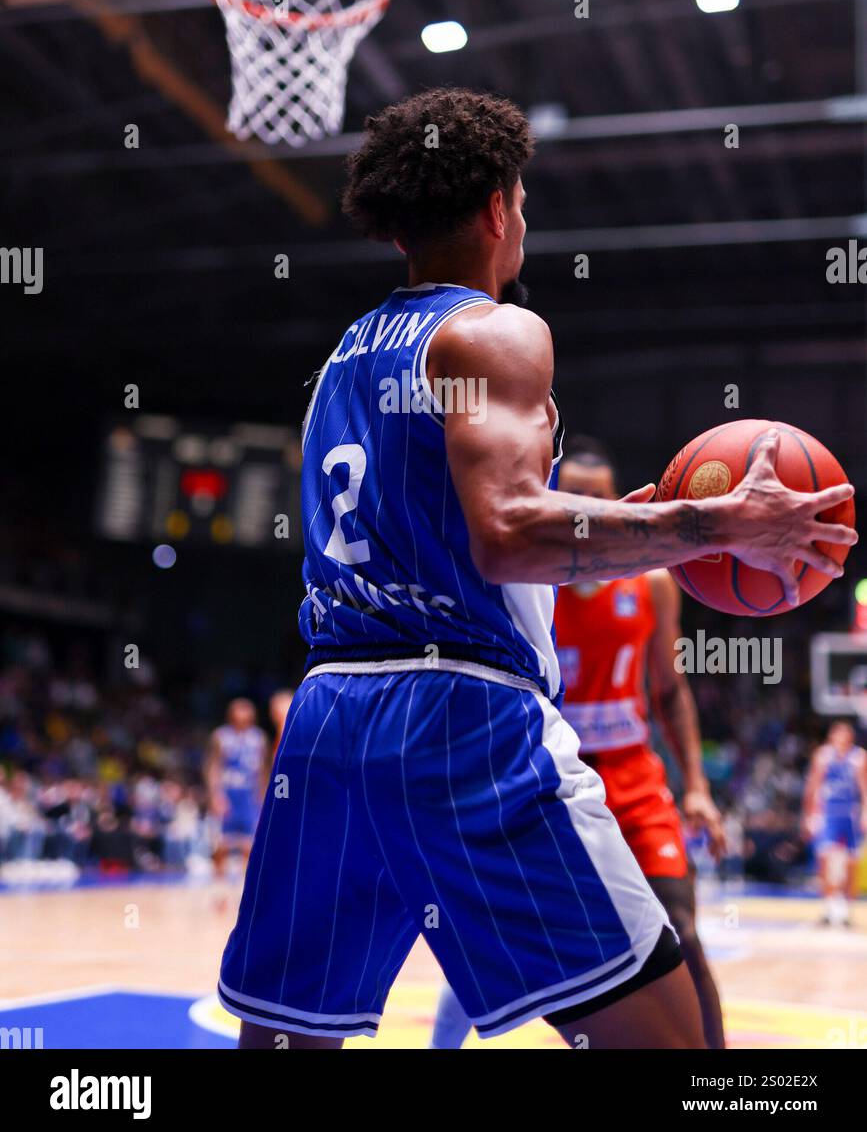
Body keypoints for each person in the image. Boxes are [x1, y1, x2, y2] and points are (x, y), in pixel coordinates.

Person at [217, 88, 855, 1050]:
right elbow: (508, 534)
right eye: (522, 200)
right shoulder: (496, 331)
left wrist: (626, 524)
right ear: (496, 209)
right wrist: (716, 520)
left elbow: (459, 539)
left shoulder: (343, 360)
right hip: (457, 717)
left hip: (329, 720)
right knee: (675, 1046)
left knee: (285, 1040)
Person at [430, 435, 726, 1049]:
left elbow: (669, 689)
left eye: (601, 499)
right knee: (495, 933)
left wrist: (696, 786)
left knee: (682, 933)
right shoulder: (525, 577)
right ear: (556, 500)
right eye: (578, 499)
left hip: (633, 778)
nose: (589, 513)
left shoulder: (654, 584)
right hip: (542, 769)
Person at [802, 719, 867, 927]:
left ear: (850, 737)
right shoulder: (823, 756)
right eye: (837, 734)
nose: (840, 738)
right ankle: (829, 907)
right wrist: (809, 815)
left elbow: (864, 788)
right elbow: (813, 786)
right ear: (831, 736)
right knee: (824, 860)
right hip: (828, 813)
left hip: (850, 814)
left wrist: (866, 812)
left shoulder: (859, 758)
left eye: (844, 734)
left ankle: (847, 910)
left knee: (851, 863)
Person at [205, 698, 267, 886]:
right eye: (239, 710)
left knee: (250, 846)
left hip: (249, 796)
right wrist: (215, 795)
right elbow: (213, 767)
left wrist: (263, 796)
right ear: (231, 714)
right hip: (228, 794)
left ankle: (244, 890)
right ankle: (219, 889)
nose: (243, 715)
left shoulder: (259, 737)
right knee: (221, 847)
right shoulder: (221, 736)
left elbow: (263, 771)